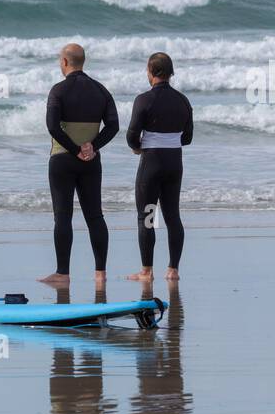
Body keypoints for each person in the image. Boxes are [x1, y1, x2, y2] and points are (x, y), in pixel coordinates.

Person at [38, 43, 119, 287]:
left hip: (62, 159)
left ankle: (63, 273)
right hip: (91, 163)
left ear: (64, 62)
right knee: (95, 216)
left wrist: (74, 150)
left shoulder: (58, 91)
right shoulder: (101, 91)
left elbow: (52, 126)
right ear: (83, 62)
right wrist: (91, 147)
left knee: (63, 217)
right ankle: (100, 273)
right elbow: (113, 126)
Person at [125, 52, 193, 283]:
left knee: (147, 217)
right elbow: (188, 138)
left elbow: (132, 135)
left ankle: (146, 271)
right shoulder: (183, 101)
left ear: (151, 72)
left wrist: (138, 148)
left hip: (151, 163)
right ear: (170, 72)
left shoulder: (143, 100)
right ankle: (173, 270)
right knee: (173, 216)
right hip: (175, 162)